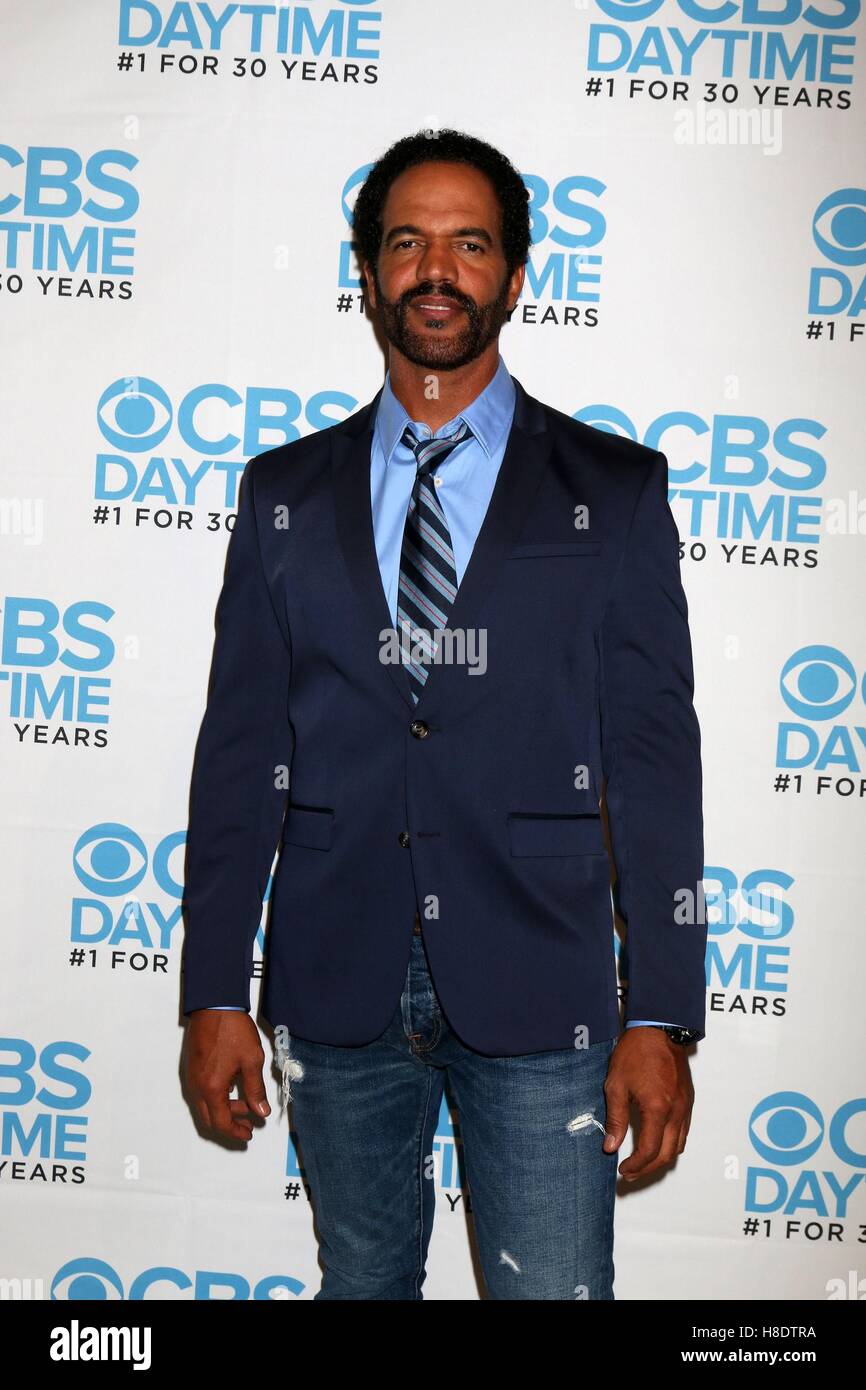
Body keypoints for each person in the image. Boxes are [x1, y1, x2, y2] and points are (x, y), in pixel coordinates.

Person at [181, 128, 706, 1300]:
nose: (435, 269)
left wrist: (661, 1010)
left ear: (514, 277)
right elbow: (238, 755)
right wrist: (216, 987)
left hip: (542, 990)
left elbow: (653, 765)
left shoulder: (610, 492)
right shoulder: (283, 493)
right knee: (360, 1287)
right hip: (333, 984)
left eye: (468, 244)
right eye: (405, 242)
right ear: (365, 272)